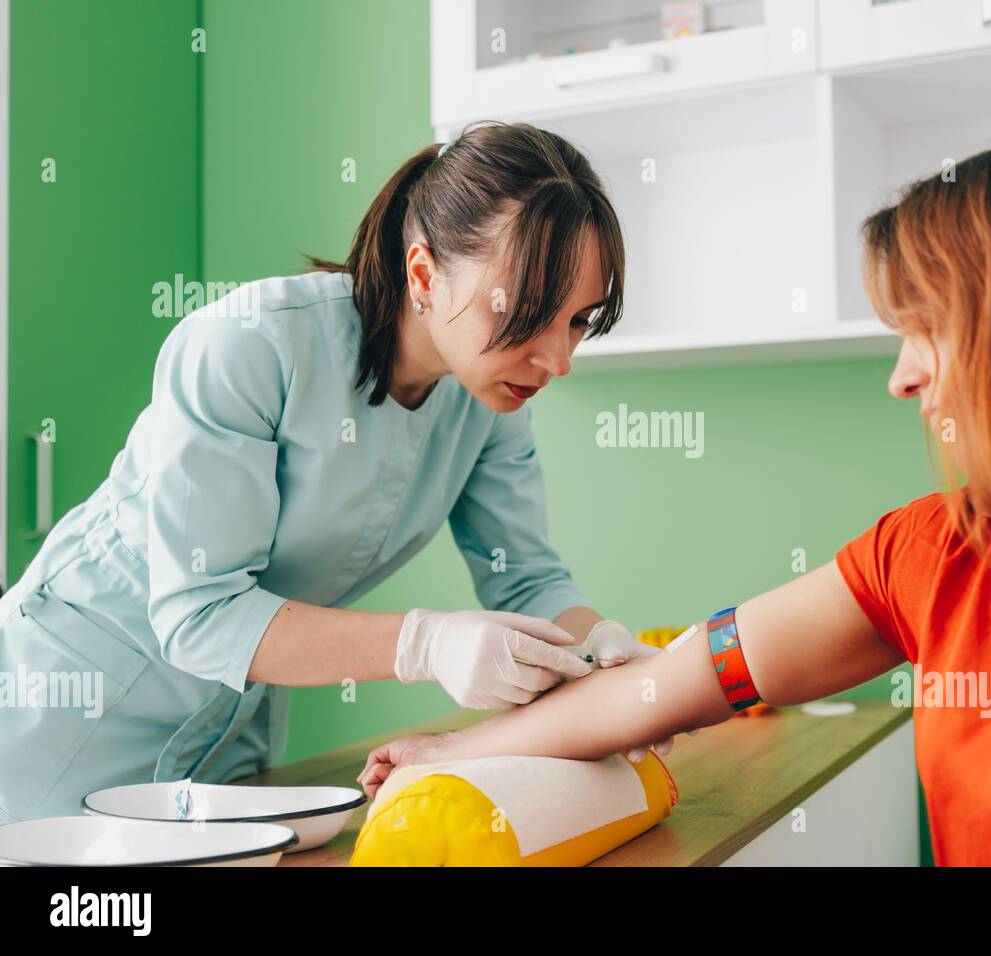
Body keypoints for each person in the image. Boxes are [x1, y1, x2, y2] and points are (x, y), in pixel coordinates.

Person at [359, 136, 991, 866]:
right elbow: (676, 683)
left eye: (925, 329)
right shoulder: (932, 554)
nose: (901, 378)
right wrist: (464, 753)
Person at [0, 121, 676, 824]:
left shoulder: (490, 406)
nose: (558, 361)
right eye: (529, 315)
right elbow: (198, 612)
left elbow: (526, 579)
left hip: (228, 732)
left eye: (577, 322)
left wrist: (605, 646)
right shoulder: (252, 345)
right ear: (423, 274)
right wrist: (425, 642)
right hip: (70, 710)